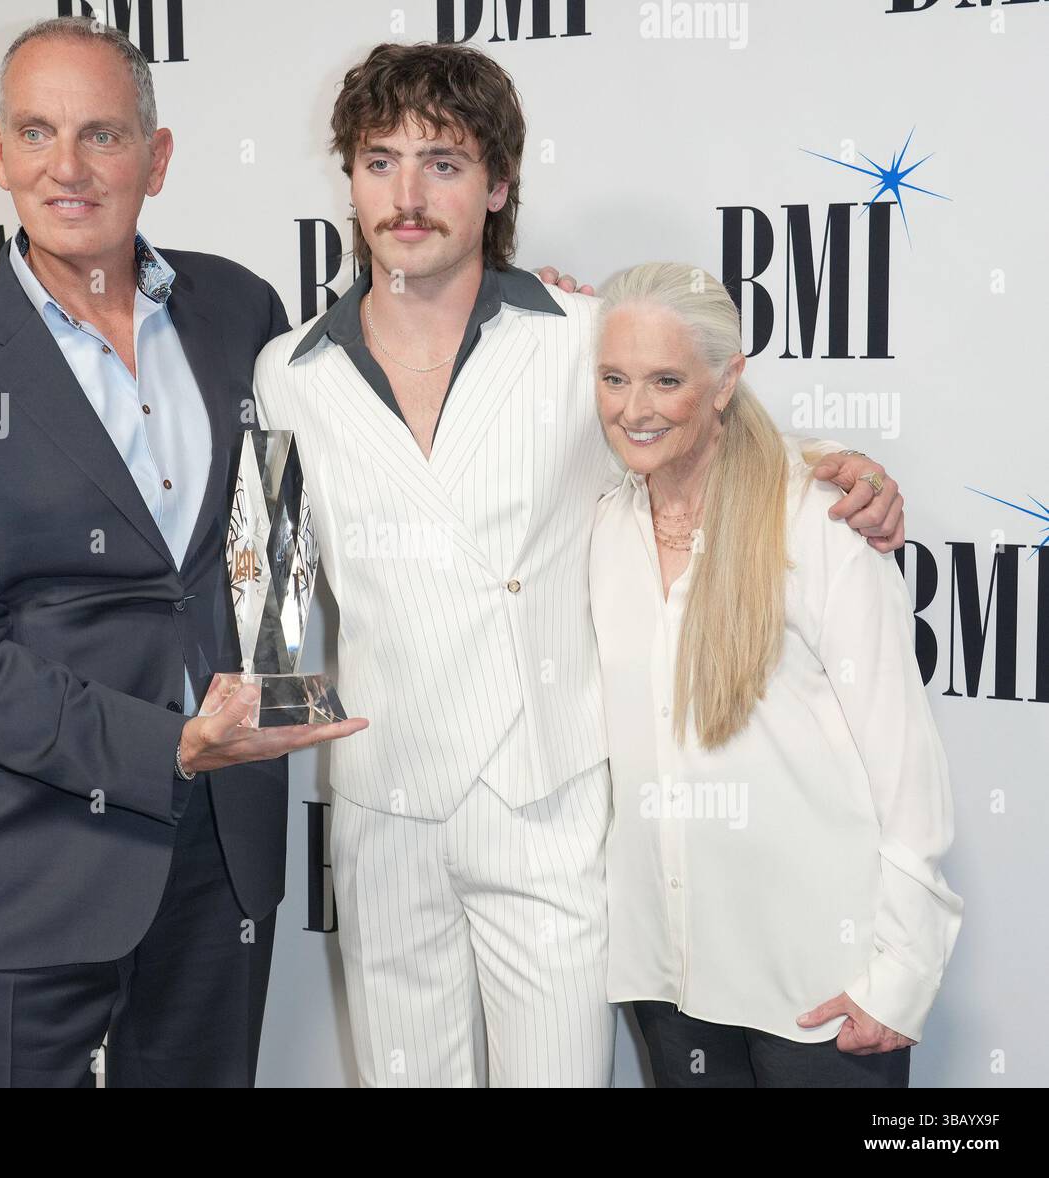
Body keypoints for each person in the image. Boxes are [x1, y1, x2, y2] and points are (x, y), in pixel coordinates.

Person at [253, 41, 905, 1087]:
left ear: (499, 183)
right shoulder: (289, 371)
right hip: (384, 803)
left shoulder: (578, 333)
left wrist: (828, 464)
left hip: (547, 801)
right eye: (380, 161)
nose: (407, 194)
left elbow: (692, 429)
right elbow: (274, 590)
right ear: (349, 176)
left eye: (444, 162)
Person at [0, 16, 364, 1088]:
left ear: (156, 158)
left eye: (102, 135)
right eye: (36, 134)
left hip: (223, 857)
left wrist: (513, 312)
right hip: (32, 860)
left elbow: (268, 526)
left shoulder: (239, 306)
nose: (66, 169)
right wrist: (166, 745)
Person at [590, 261, 962, 1088]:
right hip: (669, 980)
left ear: (727, 381)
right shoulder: (601, 525)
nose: (633, 408)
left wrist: (900, 975)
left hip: (822, 990)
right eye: (613, 377)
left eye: (666, 380)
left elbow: (903, 760)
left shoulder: (818, 517)